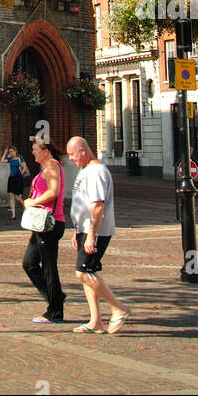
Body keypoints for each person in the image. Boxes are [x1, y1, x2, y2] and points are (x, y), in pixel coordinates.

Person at [65, 135, 131, 334]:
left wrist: (92, 233)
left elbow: (97, 205)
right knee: (88, 272)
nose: (70, 159)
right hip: (85, 229)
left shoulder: (96, 172)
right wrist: (77, 231)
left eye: (72, 154)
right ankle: (96, 320)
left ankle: (118, 307)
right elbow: (82, 204)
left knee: (84, 272)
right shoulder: (86, 171)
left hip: (96, 230)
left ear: (83, 151)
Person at [19, 133, 66, 323]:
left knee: (48, 267)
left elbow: (53, 192)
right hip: (40, 223)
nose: (32, 152)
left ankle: (55, 311)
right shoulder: (45, 167)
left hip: (49, 223)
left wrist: (32, 202)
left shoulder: (53, 166)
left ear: (45, 151)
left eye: (35, 149)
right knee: (29, 263)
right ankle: (56, 297)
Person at [1, 144, 30, 220]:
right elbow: (2, 161)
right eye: (9, 152)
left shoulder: (20, 158)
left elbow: (24, 168)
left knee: (18, 198)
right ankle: (13, 215)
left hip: (18, 178)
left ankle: (25, 209)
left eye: (11, 151)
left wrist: (20, 174)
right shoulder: (10, 159)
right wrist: (5, 152)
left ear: (15, 151)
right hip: (11, 178)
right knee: (11, 196)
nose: (10, 153)